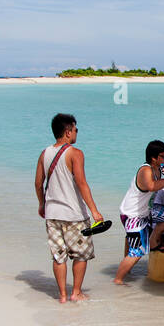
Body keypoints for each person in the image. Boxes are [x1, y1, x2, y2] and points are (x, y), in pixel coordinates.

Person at [35, 113, 104, 303]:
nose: (76, 132)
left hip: (52, 213)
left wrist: (42, 204)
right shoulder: (75, 153)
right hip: (74, 214)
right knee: (80, 255)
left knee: (59, 256)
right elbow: (82, 184)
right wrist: (94, 211)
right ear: (67, 132)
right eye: (75, 129)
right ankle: (76, 292)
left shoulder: (44, 153)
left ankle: (63, 296)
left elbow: (38, 183)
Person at [113, 141, 164, 284]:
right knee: (137, 252)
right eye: (163, 156)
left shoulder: (159, 169)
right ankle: (118, 280)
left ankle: (152, 239)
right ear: (153, 158)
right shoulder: (145, 170)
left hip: (146, 212)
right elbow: (152, 186)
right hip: (132, 215)